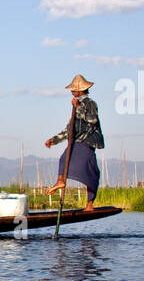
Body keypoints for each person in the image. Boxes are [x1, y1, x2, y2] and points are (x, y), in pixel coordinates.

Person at [45, 74, 105, 211]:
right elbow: (69, 130)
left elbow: (92, 120)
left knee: (90, 173)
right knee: (63, 159)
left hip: (87, 141)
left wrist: (78, 107)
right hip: (77, 141)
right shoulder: (76, 105)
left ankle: (89, 204)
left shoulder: (90, 104)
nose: (72, 92)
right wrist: (53, 140)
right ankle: (61, 181)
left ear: (81, 90)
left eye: (74, 90)